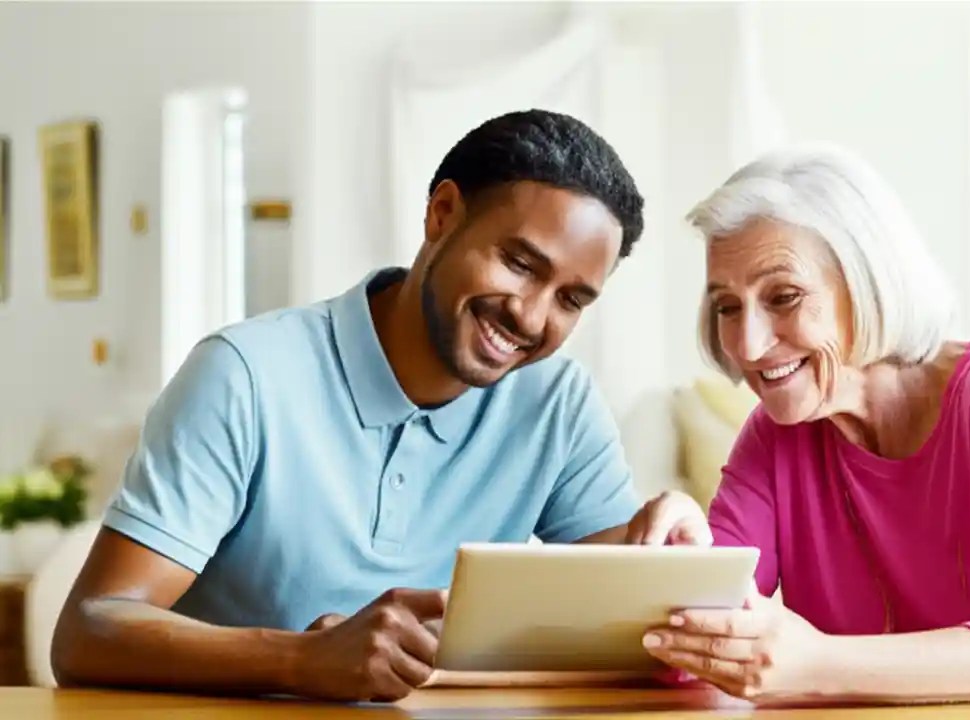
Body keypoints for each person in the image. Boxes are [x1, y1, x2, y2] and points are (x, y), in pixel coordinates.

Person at [51, 109, 706, 702]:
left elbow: (631, 631)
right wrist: (301, 660)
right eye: (519, 263)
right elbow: (87, 631)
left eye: (570, 300)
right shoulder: (244, 375)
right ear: (442, 214)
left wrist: (671, 552)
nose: (532, 317)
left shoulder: (558, 404)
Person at [636, 146, 970, 705]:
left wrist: (818, 663)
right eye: (728, 307)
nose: (749, 346)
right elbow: (689, 650)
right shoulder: (776, 435)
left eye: (784, 297)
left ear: (868, 284)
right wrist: (682, 565)